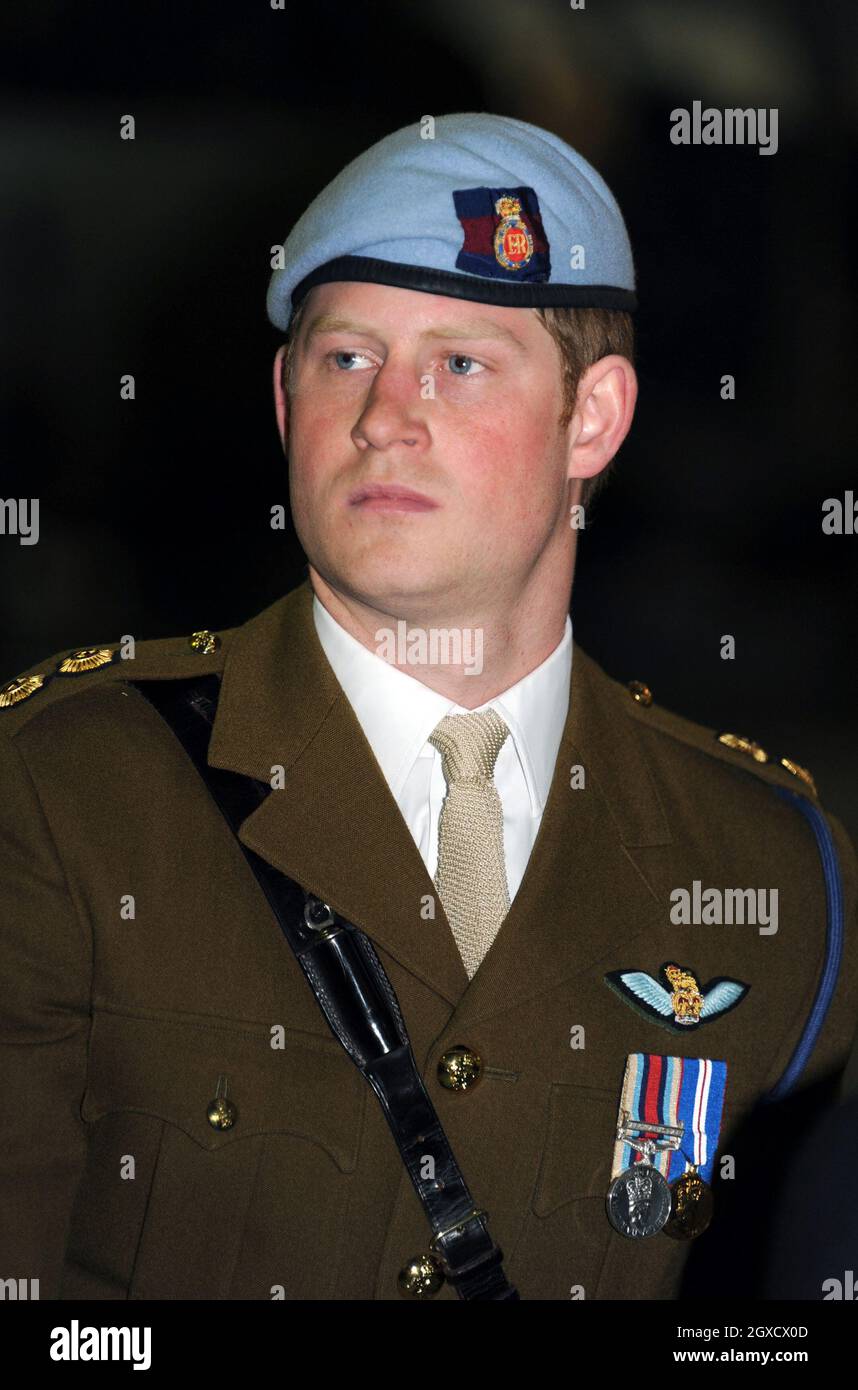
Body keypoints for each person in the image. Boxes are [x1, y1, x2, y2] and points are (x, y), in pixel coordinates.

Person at [1, 113, 856, 1302]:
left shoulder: (778, 871)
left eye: (459, 364)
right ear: (284, 399)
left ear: (594, 416)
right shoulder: (64, 794)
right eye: (345, 358)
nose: (383, 416)